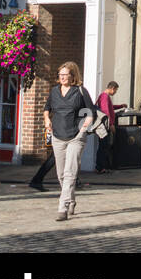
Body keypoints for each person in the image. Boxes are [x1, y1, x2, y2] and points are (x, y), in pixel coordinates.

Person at [44, 61, 95, 221]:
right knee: (60, 174)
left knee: (69, 172)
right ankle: (71, 200)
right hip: (58, 135)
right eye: (61, 75)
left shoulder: (80, 91)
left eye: (66, 75)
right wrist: (47, 121)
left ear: (73, 76)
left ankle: (62, 207)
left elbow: (90, 112)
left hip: (76, 136)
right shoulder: (54, 91)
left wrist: (84, 127)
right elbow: (47, 109)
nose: (63, 77)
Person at [95, 80, 126, 174]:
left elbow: (110, 107)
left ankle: (102, 166)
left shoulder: (104, 96)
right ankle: (100, 167)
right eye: (115, 90)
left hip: (104, 125)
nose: (115, 92)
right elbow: (106, 111)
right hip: (104, 126)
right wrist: (111, 124)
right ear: (112, 88)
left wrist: (121, 106)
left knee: (104, 146)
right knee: (103, 146)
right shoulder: (104, 97)